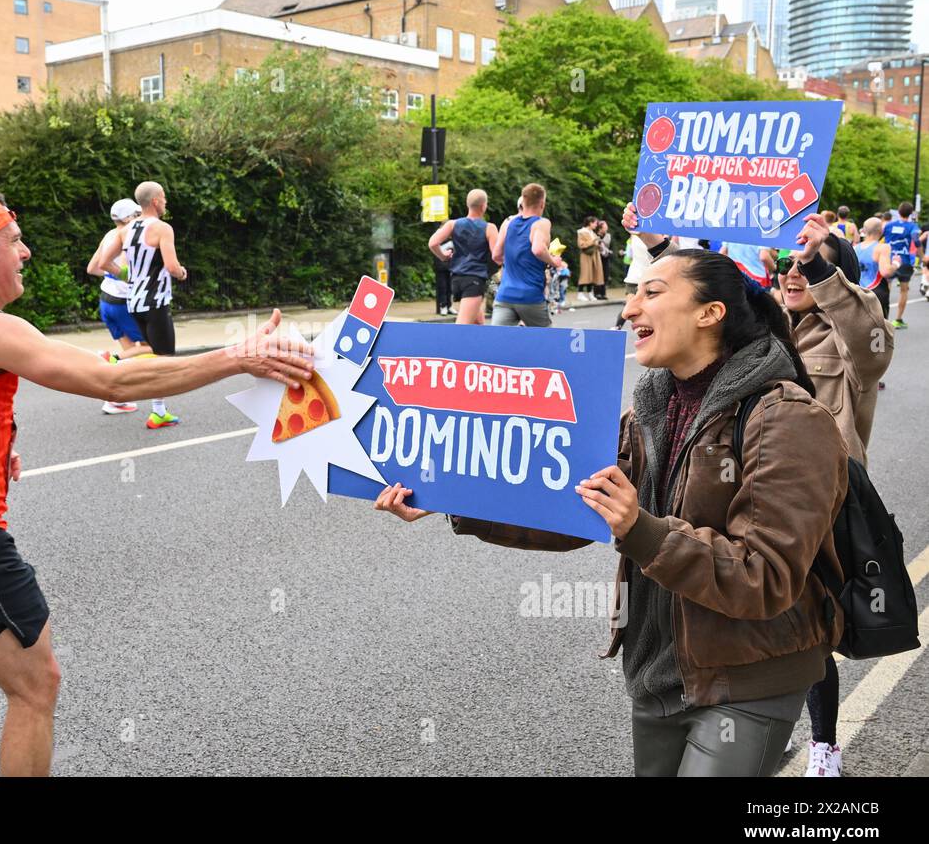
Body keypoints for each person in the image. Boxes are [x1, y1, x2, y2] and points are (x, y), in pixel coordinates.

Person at [0, 192, 312, 776]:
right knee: (37, 688)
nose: (26, 251)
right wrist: (239, 356)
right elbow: (109, 382)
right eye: (13, 241)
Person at [375, 228, 849, 777]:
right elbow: (578, 507)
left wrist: (640, 528)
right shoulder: (649, 408)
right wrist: (456, 501)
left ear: (710, 313)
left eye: (651, 292)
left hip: (747, 677)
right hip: (656, 670)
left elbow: (765, 576)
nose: (628, 309)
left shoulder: (788, 419)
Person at [780, 213, 894, 777]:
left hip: (825, 508)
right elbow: (704, 296)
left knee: (810, 626)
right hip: (760, 498)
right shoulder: (768, 331)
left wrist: (819, 259)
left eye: (805, 268)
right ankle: (766, 724)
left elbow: (866, 331)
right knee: (750, 618)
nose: (792, 274)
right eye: (788, 266)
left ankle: (823, 747)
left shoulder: (856, 347)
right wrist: (655, 244)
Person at [95, 181, 188, 429]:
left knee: (151, 353)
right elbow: (171, 266)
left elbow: (104, 262)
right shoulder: (162, 229)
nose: (166, 202)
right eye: (164, 198)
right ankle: (154, 409)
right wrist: (181, 274)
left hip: (133, 302)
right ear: (156, 200)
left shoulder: (125, 230)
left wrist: (130, 276)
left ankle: (123, 371)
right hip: (155, 301)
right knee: (164, 360)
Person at [86, 198, 152, 415]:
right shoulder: (130, 238)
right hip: (124, 303)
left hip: (106, 300)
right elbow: (132, 274)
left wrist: (113, 276)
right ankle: (107, 359)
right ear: (127, 218)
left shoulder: (109, 235)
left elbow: (92, 268)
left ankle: (115, 400)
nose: (140, 218)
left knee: (131, 353)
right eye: (136, 214)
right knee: (151, 346)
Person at [490, 183, 564, 327]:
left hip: (505, 295)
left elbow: (496, 256)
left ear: (523, 202)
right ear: (542, 204)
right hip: (530, 296)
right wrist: (554, 261)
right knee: (547, 341)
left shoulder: (508, 223)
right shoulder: (541, 223)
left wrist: (515, 259)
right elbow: (537, 249)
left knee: (498, 342)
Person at [428, 189, 497, 325]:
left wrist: (443, 256)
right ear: (484, 206)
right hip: (474, 279)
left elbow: (433, 243)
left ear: (468, 205)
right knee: (461, 325)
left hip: (457, 278)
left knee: (478, 322)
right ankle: (448, 347)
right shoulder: (489, 228)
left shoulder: (452, 224)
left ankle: (480, 346)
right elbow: (497, 255)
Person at [883, 202, 919, 329]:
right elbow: (915, 238)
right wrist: (920, 252)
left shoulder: (888, 225)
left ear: (898, 212)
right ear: (910, 214)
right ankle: (898, 319)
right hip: (904, 261)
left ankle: (883, 318)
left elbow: (881, 237)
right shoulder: (912, 226)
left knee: (885, 289)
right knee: (904, 290)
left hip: (889, 260)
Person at [855, 217, 899, 320]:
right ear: (881, 231)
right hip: (876, 292)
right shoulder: (882, 247)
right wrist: (896, 263)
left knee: (860, 328)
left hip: (858, 292)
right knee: (879, 330)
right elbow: (886, 272)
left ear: (864, 231)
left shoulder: (854, 248)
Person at [615, 231, 653, 329]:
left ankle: (616, 328)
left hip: (634, 275)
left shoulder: (633, 236)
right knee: (648, 308)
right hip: (648, 278)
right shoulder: (657, 238)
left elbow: (629, 255)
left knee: (629, 307)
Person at [575, 217, 604, 301]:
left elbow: (594, 242)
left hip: (594, 255)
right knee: (585, 274)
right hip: (586, 255)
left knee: (593, 274)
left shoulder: (592, 232)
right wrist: (593, 241)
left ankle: (590, 293)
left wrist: (599, 245)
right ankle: (580, 293)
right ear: (590, 223)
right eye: (595, 223)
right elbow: (581, 245)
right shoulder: (581, 232)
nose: (596, 225)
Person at [434, 242, 454, 316]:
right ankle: (443, 306)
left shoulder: (451, 240)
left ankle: (449, 306)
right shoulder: (438, 241)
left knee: (450, 288)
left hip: (450, 267)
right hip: (441, 267)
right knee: (442, 288)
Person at [596, 220, 613, 300]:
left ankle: (603, 293)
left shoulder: (608, 236)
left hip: (606, 257)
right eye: (605, 227)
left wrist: (611, 252)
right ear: (600, 228)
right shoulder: (595, 236)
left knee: (605, 275)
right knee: (598, 274)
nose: (606, 229)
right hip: (598, 257)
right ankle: (597, 293)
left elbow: (612, 246)